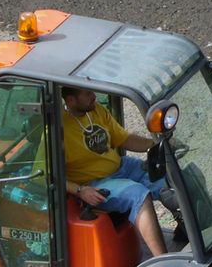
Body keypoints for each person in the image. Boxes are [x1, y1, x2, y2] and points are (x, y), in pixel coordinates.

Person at [59, 86, 168, 256]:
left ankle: (195, 231)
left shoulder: (96, 111)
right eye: (88, 93)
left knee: (170, 177)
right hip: (95, 184)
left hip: (122, 167)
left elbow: (124, 139)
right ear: (71, 100)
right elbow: (47, 175)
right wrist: (80, 190)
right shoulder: (57, 130)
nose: (94, 96)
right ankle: (164, 262)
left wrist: (158, 145)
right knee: (138, 195)